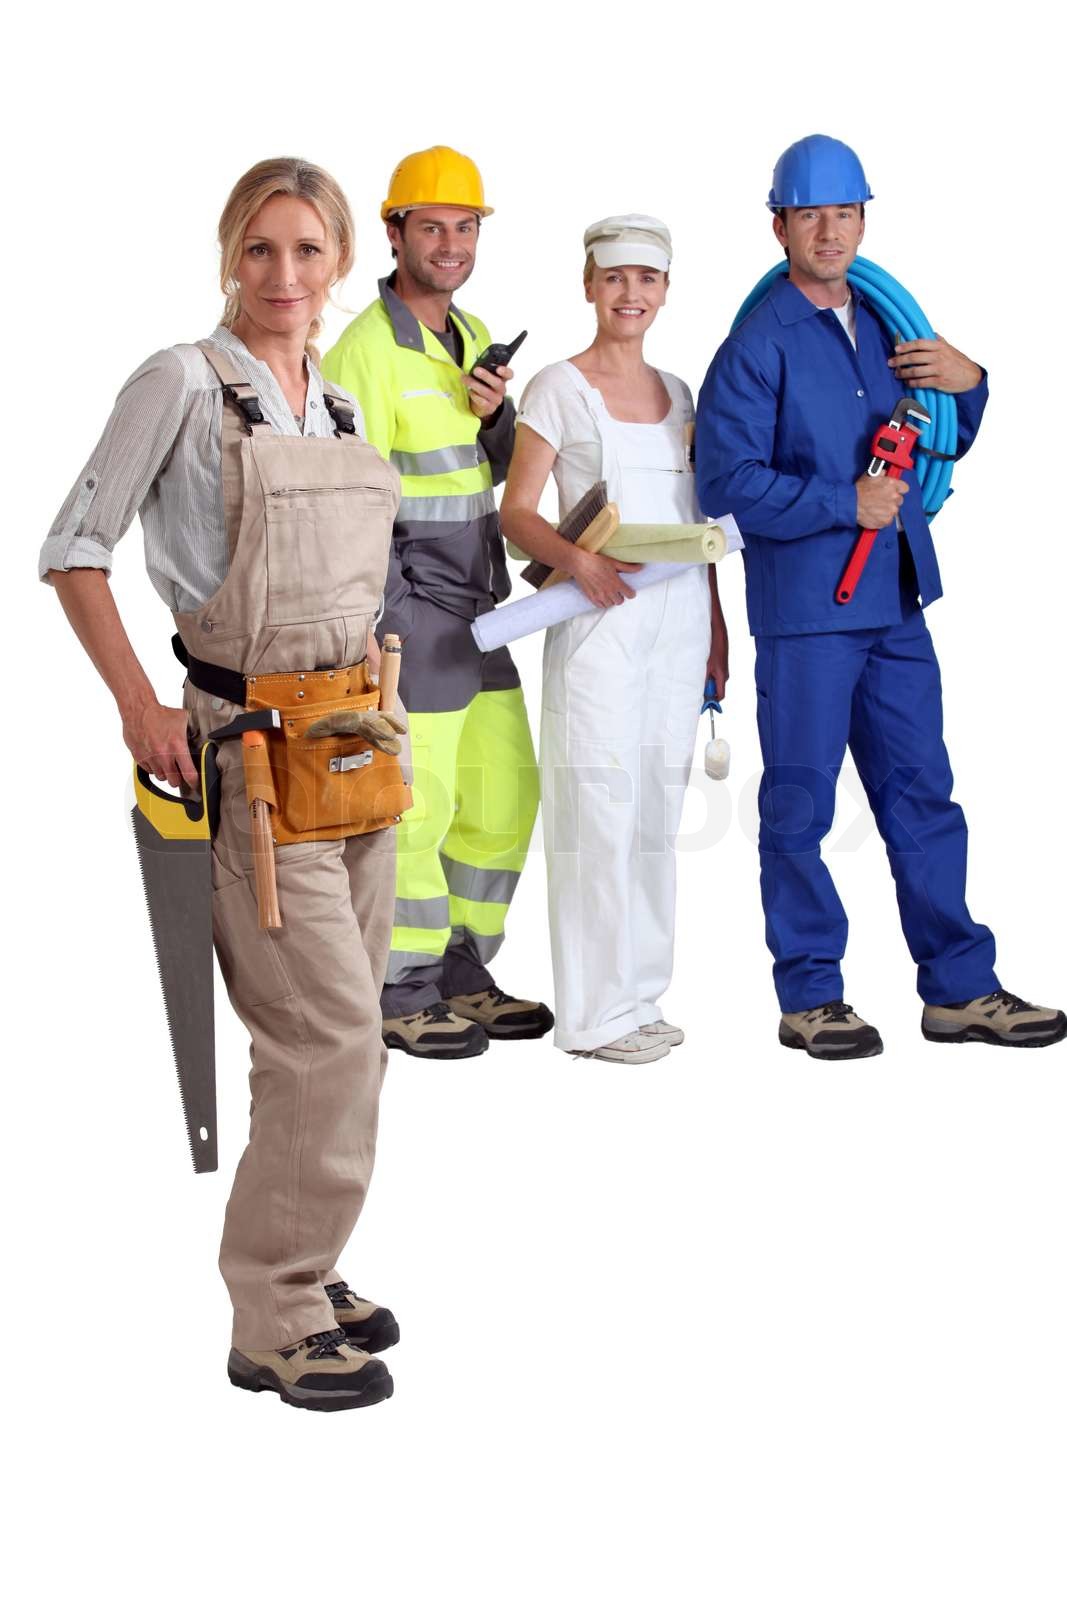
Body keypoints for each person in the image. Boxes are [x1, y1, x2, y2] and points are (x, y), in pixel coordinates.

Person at [40, 158, 409, 1410]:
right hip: (245, 752)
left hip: (357, 745)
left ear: (339, 263)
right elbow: (73, 549)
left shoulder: (343, 411)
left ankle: (308, 1257)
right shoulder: (180, 383)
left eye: (308, 252)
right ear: (227, 259)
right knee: (327, 1033)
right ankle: (275, 1310)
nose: (284, 277)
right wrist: (140, 702)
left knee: (338, 1035)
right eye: (261, 250)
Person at [696, 134, 1065, 1058]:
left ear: (864, 218)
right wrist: (837, 500)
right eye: (810, 213)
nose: (829, 229)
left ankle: (960, 990)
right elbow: (724, 483)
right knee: (800, 806)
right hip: (810, 613)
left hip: (894, 601)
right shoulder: (754, 345)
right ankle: (811, 997)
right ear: (778, 224)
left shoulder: (889, 325)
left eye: (844, 212)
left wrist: (970, 383)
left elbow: (935, 443)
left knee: (923, 795)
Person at [322, 146, 553, 1060]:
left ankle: (461, 968)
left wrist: (493, 418)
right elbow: (348, 509)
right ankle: (400, 987)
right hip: (415, 617)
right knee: (418, 806)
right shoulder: (361, 355)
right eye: (432, 227)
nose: (451, 244)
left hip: (484, 609)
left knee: (504, 794)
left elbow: (481, 472)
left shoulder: (469, 333)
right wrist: (392, 627)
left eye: (466, 227)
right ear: (394, 233)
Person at [500, 216, 729, 1062]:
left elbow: (702, 526)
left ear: (665, 291)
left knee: (654, 816)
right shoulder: (559, 387)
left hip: (678, 624)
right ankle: (592, 1017)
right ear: (588, 286)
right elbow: (517, 511)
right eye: (614, 278)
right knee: (597, 808)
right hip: (597, 624)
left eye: (647, 279)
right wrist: (577, 565)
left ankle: (640, 998)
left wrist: (716, 630)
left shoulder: (682, 393)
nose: (630, 294)